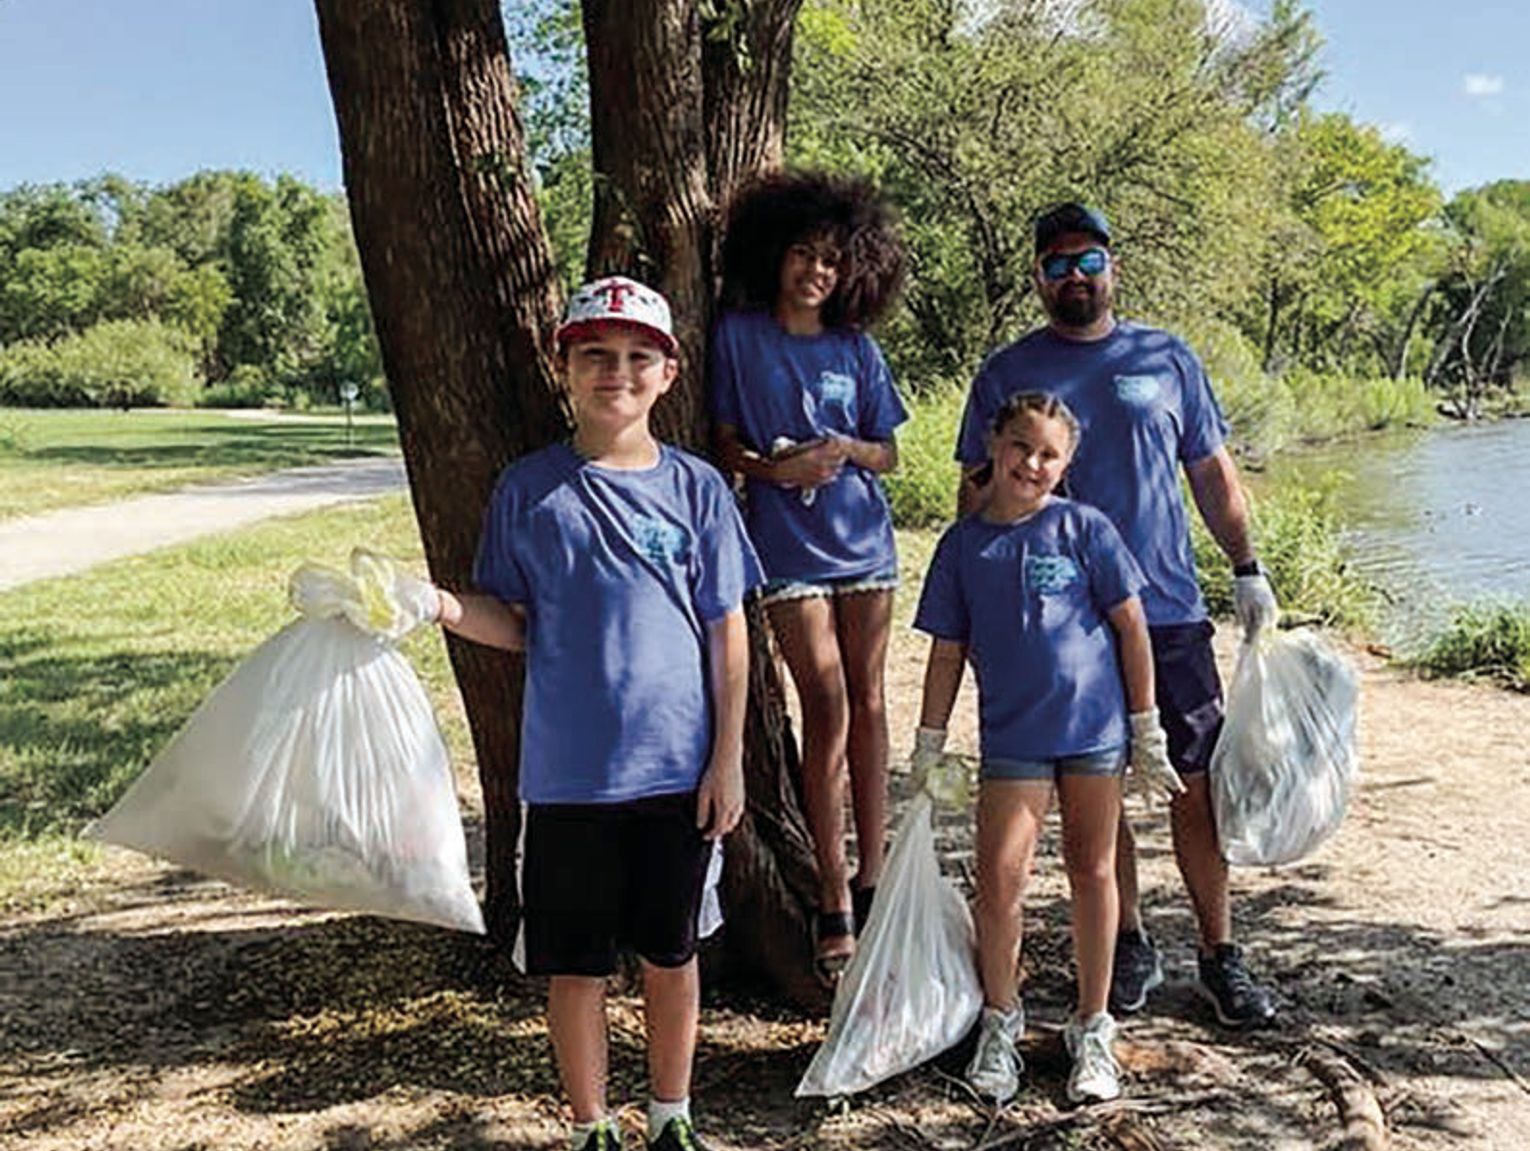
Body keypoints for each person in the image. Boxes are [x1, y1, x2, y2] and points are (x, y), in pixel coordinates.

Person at [432, 276, 763, 1151]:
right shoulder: (528, 489)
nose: (616, 372)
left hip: (677, 773)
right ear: (564, 366)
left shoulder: (697, 490)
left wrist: (727, 757)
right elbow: (512, 617)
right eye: (595, 356)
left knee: (671, 952)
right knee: (575, 965)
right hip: (567, 777)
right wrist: (437, 605)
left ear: (667, 372)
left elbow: (729, 631)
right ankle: (590, 1126)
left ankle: (670, 1115)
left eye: (635, 357)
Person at [954, 203, 1280, 1030]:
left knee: (1191, 781)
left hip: (1166, 608)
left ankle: (1220, 951)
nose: (1074, 276)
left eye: (1087, 260)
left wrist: (1247, 567)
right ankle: (1130, 938)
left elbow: (1209, 470)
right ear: (1038, 276)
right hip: (1059, 624)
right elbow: (974, 498)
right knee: (1093, 786)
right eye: (1057, 263)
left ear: (1113, 266)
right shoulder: (1006, 374)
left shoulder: (1165, 358)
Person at [913, 391, 1184, 1105]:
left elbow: (1131, 628)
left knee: (1094, 872)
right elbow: (947, 649)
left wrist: (1146, 724)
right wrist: (929, 742)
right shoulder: (964, 544)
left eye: (1048, 454)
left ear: (1066, 465)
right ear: (994, 445)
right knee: (1001, 879)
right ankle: (1001, 1018)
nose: (1031, 463)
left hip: (1094, 736)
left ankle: (1093, 1027)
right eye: (1020, 446)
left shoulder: (1084, 528)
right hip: (1014, 738)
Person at [709, 171, 908, 981]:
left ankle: (874, 875)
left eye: (831, 259)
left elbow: (888, 451)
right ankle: (830, 889)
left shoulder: (856, 347)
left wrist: (844, 451)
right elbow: (723, 442)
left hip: (865, 545)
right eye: (802, 253)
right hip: (785, 548)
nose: (815, 272)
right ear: (775, 255)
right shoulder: (736, 335)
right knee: (822, 702)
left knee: (868, 701)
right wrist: (770, 468)